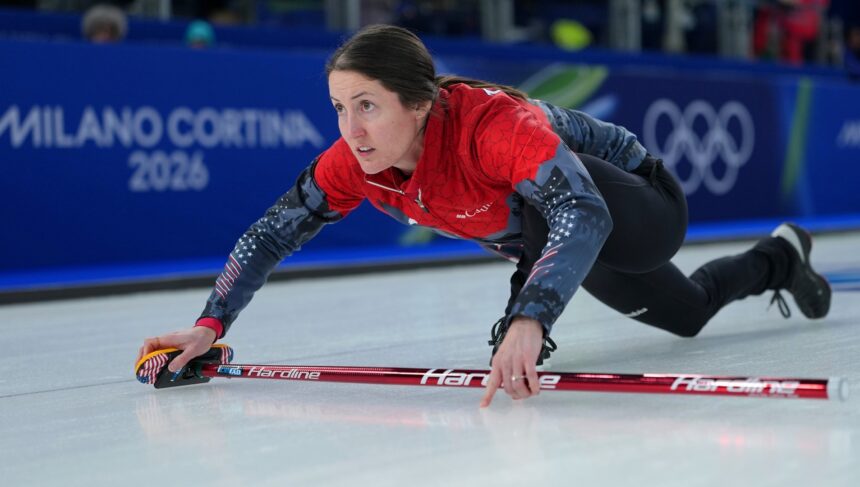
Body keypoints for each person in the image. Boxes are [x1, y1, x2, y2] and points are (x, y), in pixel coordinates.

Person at [137, 24, 832, 407]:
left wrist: (528, 319)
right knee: (687, 313)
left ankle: (525, 313)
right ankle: (782, 255)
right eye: (339, 109)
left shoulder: (492, 124)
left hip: (643, 202)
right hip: (561, 238)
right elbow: (268, 234)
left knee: (543, 201)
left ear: (417, 104)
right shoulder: (356, 160)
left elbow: (579, 207)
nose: (350, 129)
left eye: (367, 105)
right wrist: (209, 326)